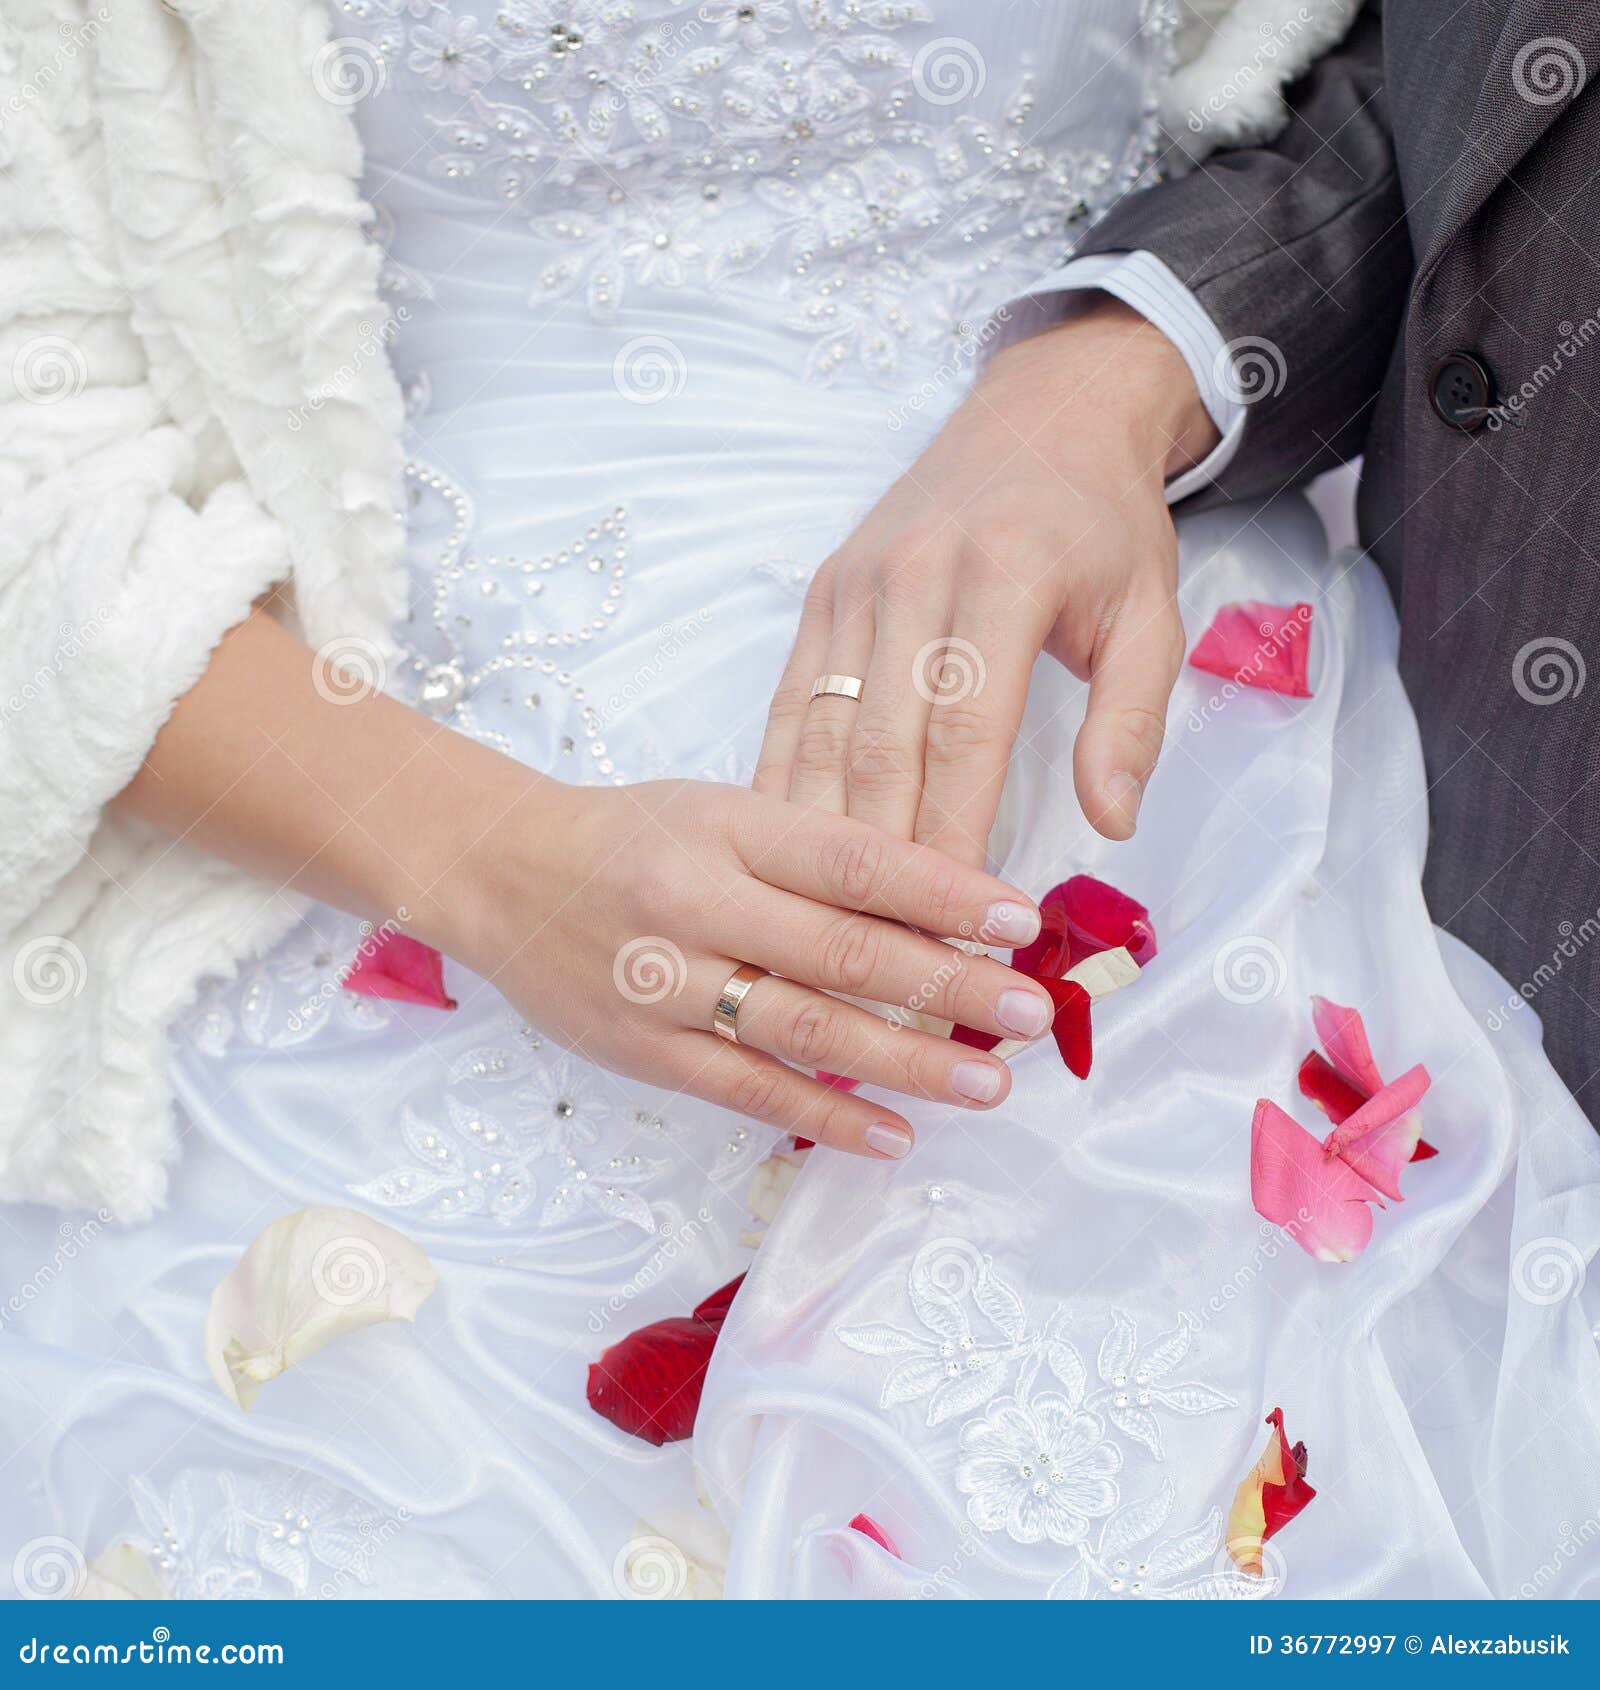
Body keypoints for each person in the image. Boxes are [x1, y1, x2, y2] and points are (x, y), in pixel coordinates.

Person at [1, 0, 1595, 1601]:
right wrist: (493, 866)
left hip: (1151, 755)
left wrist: (1111, 371)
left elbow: (1411, 95)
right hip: (358, 816)